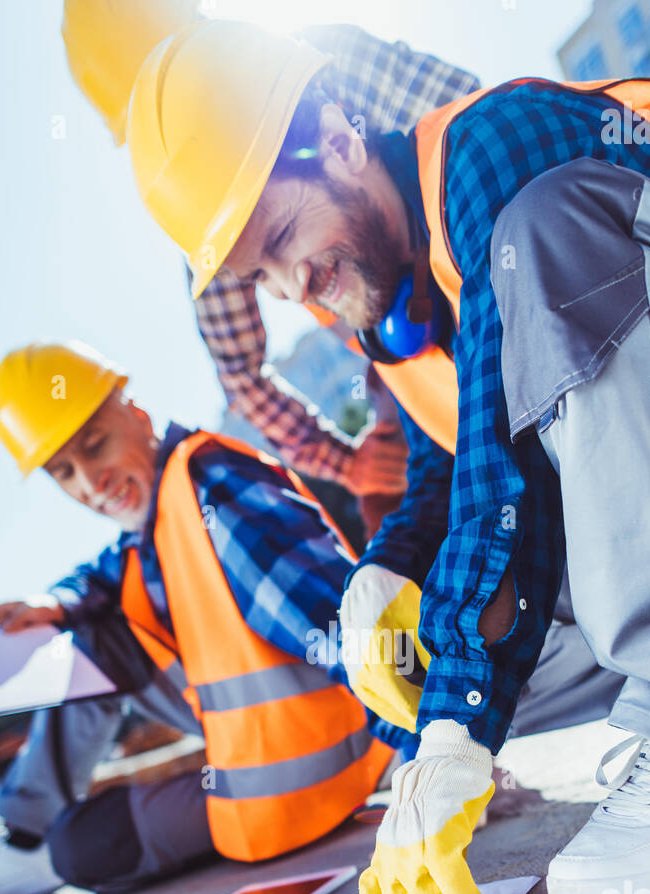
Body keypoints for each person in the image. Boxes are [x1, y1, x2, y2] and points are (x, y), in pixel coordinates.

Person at [122, 20, 650, 894]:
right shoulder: (400, 308)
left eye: (280, 237)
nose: (294, 291)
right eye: (260, 276)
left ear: (341, 141)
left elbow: (497, 458)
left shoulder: (495, 148)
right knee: (427, 642)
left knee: (549, 224)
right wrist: (385, 576)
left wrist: (457, 727)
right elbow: (448, 466)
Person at [0, 341, 411, 894]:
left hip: (310, 783)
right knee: (94, 626)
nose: (90, 482)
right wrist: (53, 602)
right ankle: (22, 844)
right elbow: (101, 575)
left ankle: (25, 846)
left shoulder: (212, 483)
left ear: (135, 411)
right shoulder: (150, 535)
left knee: (81, 842)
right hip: (315, 775)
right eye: (64, 473)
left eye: (94, 444)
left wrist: (424, 741)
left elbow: (336, 620)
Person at [60, 0, 482, 523]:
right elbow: (241, 375)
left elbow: (469, 127)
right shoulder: (206, 220)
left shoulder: (322, 58)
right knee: (399, 513)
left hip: (480, 290)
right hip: (404, 360)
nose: (290, 286)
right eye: (261, 272)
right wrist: (350, 466)